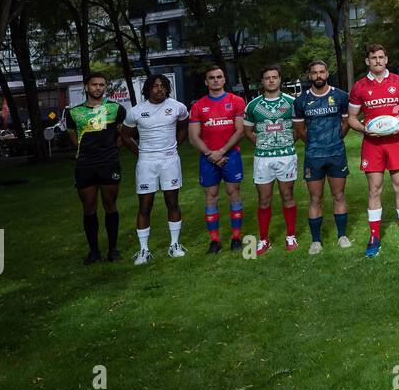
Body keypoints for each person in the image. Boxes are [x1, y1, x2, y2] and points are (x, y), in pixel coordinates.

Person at [346, 45, 399, 257]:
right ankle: (374, 236)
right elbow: (351, 118)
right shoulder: (359, 87)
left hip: (396, 142)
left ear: (386, 59)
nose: (377, 61)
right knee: (375, 189)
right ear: (367, 61)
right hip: (373, 144)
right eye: (373, 58)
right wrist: (364, 128)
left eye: (381, 57)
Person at [120, 74, 189, 264]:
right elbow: (125, 136)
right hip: (146, 163)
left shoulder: (177, 107)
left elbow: (184, 125)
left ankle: (174, 245)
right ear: (147, 89)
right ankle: (144, 250)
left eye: (163, 86)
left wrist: (176, 145)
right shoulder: (135, 111)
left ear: (167, 89)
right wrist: (140, 152)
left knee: (172, 202)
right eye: (155, 86)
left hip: (169, 161)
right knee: (145, 205)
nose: (159, 89)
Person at [63, 72, 127, 265]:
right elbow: (73, 136)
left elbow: (121, 135)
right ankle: (94, 252)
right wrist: (84, 150)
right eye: (94, 84)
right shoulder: (74, 112)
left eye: (101, 84)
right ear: (86, 87)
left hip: (108, 163)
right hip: (85, 165)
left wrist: (109, 151)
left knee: (110, 205)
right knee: (89, 208)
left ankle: (113, 249)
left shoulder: (116, 109)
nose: (98, 88)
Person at [293, 60, 352, 253]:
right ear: (309, 76)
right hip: (314, 156)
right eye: (314, 73)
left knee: (339, 195)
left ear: (327, 73)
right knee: (315, 198)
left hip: (336, 153)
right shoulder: (301, 101)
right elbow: (300, 130)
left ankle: (342, 235)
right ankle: (316, 241)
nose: (318, 76)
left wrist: (334, 139)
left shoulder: (341, 96)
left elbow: (345, 123)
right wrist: (315, 143)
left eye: (321, 72)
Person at [188, 65, 247, 254]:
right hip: (207, 158)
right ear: (206, 81)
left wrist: (221, 152)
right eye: (211, 77)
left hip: (231, 155)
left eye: (219, 77)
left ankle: (236, 238)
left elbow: (240, 131)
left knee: (233, 192)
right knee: (211, 195)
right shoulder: (198, 106)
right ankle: (215, 241)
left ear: (224, 80)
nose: (215, 80)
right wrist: (210, 154)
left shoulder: (236, 101)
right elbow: (193, 137)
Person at [244, 65, 299, 254]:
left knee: (288, 196)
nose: (271, 80)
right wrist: (261, 144)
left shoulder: (292, 102)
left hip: (286, 156)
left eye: (274, 77)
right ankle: (263, 240)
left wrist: (290, 141)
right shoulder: (253, 105)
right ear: (262, 81)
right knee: (264, 199)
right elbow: (248, 131)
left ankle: (290, 236)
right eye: (267, 78)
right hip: (263, 159)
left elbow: (299, 128)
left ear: (280, 79)